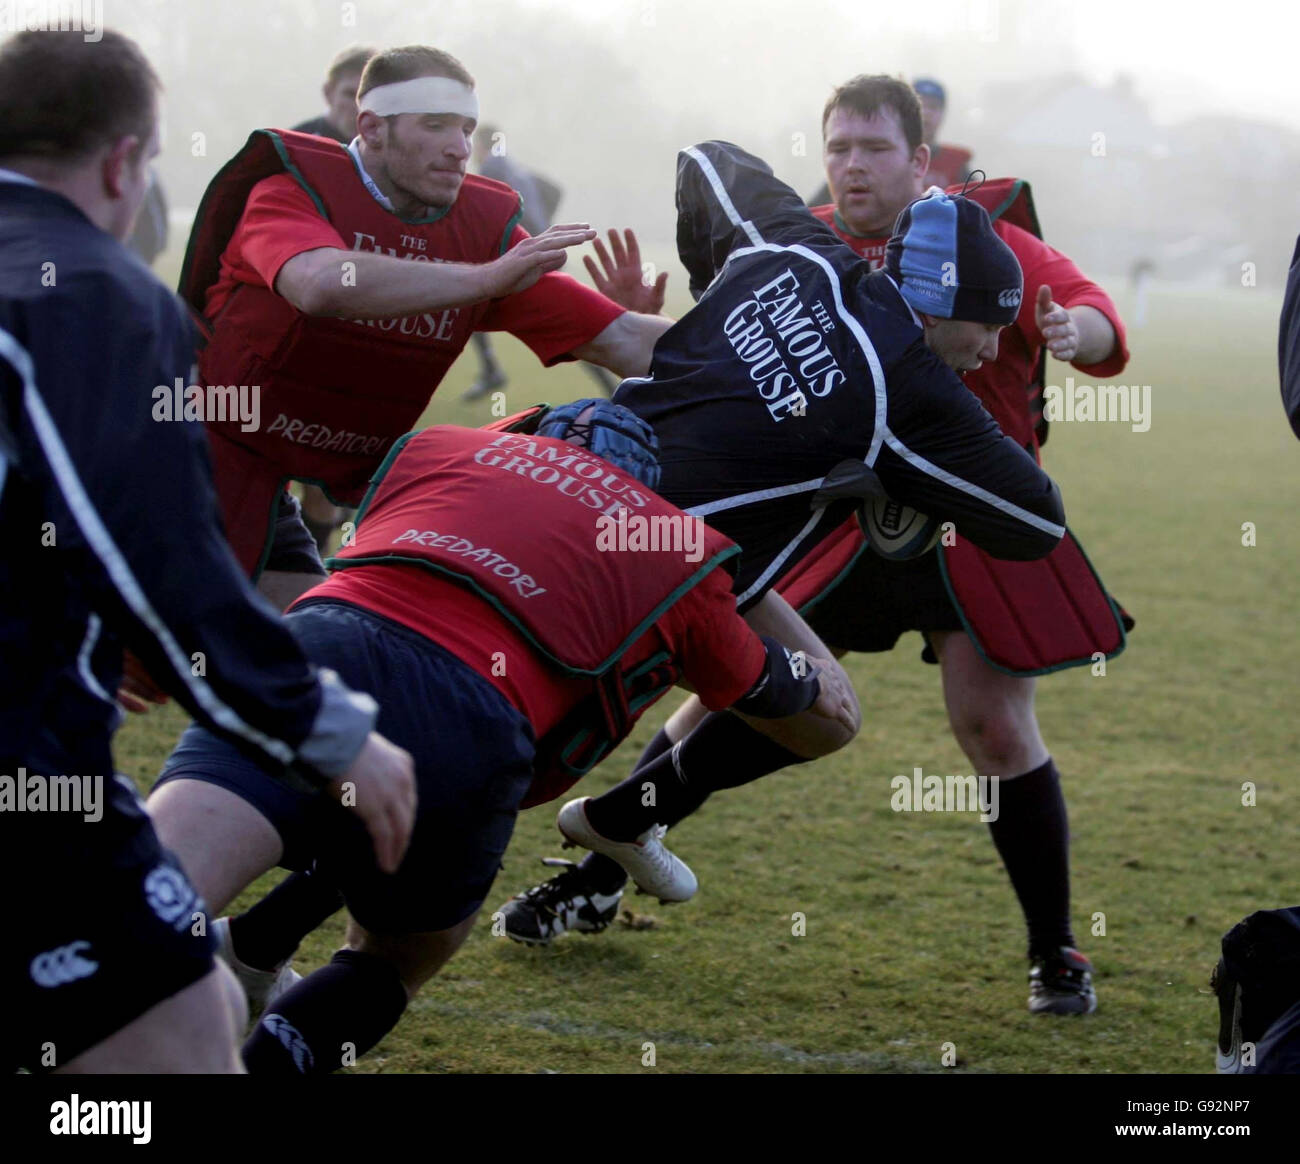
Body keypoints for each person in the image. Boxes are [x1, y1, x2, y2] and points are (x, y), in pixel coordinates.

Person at [508, 78, 1129, 1017]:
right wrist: (672, 325)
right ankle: (599, 862)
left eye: (873, 149)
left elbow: (1098, 322)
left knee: (993, 727)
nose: (850, 166)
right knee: (726, 696)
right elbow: (735, 386)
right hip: (843, 520)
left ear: (921, 163)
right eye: (837, 147)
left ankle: (1056, 952)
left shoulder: (980, 237)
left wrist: (1076, 331)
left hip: (967, 527)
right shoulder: (806, 238)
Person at [145, 401, 854, 1074]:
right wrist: (797, 649)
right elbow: (784, 696)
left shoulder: (441, 449)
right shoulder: (678, 550)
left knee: (145, 902)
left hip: (314, 656)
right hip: (472, 719)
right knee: (387, 962)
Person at [0, 28, 415, 1075]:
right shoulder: (89, 289)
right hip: (25, 770)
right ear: (123, 163)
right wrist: (324, 730)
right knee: (187, 1030)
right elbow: (152, 555)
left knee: (198, 1006)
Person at [180, 43, 672, 612]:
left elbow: (631, 342)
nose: (459, 149)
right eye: (435, 126)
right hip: (193, 457)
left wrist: (745, 334)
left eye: (466, 129)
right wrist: (485, 280)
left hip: (317, 462)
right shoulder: (292, 191)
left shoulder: (481, 236)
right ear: (372, 128)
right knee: (132, 653)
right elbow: (320, 285)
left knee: (315, 662)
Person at [463, 123, 620, 401]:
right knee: (473, 303)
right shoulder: (515, 167)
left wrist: (529, 235)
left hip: (530, 260)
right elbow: (554, 190)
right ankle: (490, 370)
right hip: (539, 254)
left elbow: (487, 214)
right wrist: (543, 227)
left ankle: (490, 371)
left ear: (481, 146)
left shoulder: (491, 169)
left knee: (469, 300)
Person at [293, 45, 374, 145]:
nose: (359, 107)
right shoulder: (294, 146)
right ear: (328, 93)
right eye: (350, 94)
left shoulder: (391, 148)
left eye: (367, 96)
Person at [913, 77, 973, 190]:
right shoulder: (889, 155)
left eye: (933, 107)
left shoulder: (957, 163)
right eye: (920, 105)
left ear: (943, 114)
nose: (926, 112)